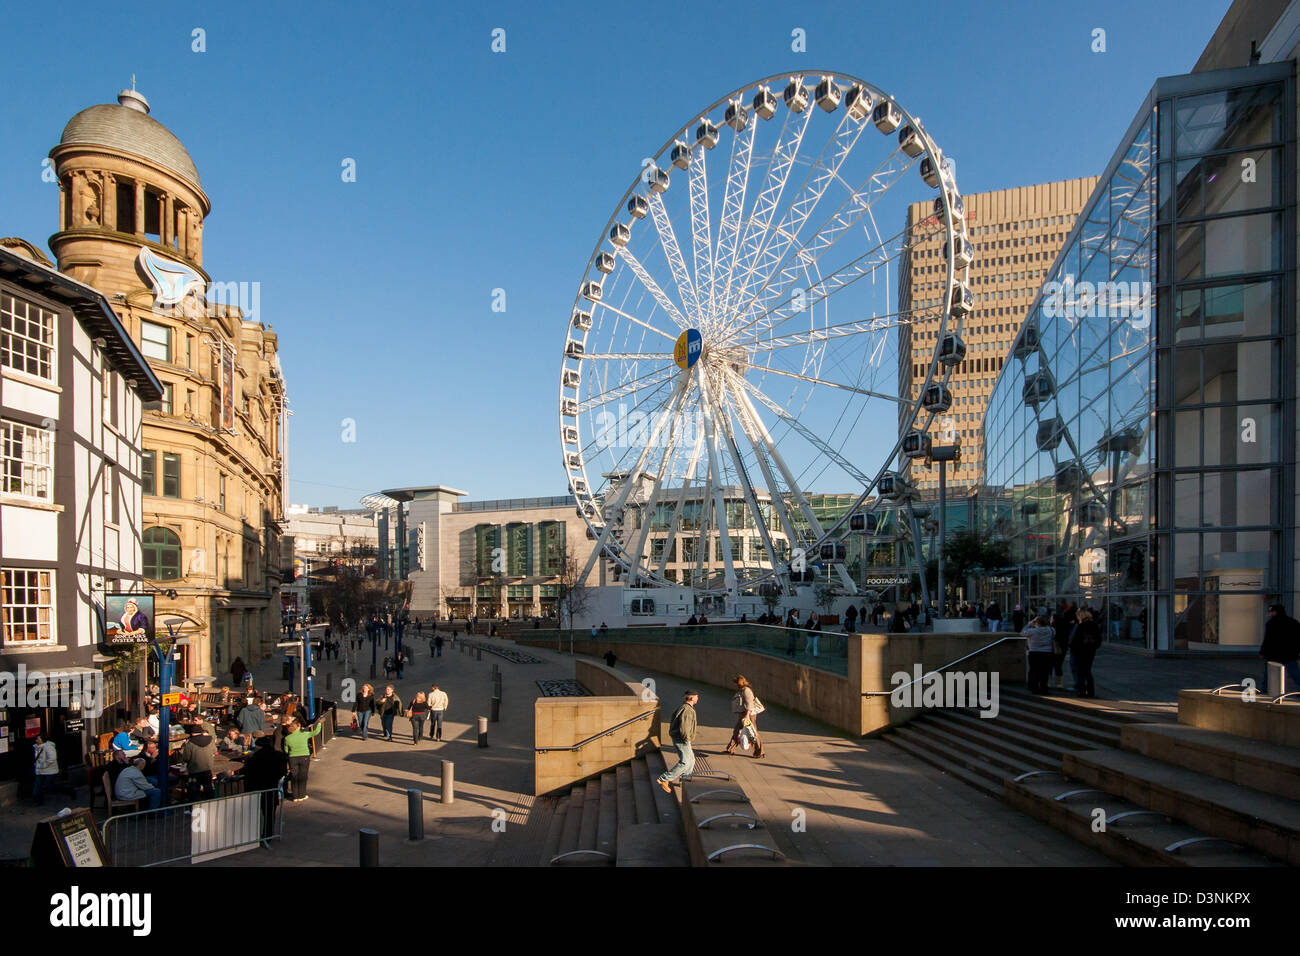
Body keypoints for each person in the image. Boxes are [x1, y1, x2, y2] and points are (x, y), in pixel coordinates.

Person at [657, 690, 700, 793]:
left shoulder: (685, 708)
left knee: (691, 760)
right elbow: (684, 727)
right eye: (697, 697)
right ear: (692, 698)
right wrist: (686, 739)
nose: (698, 699)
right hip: (682, 739)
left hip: (682, 738)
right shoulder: (687, 710)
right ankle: (664, 779)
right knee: (685, 762)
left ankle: (684, 781)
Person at [1260, 604, 1300, 693]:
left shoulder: (1271, 623)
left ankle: (1265, 689)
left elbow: (1268, 639)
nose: (1269, 614)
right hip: (1289, 653)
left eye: (1271, 611)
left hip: (1274, 653)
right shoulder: (1293, 622)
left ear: (1275, 612)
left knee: (1269, 672)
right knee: (1295, 673)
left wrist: (1262, 651)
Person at [724, 675, 766, 759]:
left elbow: (749, 704)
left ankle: (760, 752)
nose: (735, 684)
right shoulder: (741, 690)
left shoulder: (746, 690)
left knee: (752, 733)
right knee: (737, 731)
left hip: (748, 715)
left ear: (739, 683)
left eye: (736, 682)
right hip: (743, 715)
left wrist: (747, 716)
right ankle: (730, 749)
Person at [282, 718, 324, 802]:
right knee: (303, 775)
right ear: (298, 727)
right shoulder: (304, 734)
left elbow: (286, 750)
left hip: (292, 757)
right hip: (304, 756)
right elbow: (315, 732)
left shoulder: (287, 738)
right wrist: (319, 723)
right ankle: (302, 794)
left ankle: (295, 796)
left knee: (294, 776)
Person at [1070, 607, 1103, 698]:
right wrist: (1093, 647)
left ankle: (1081, 691)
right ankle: (1091, 691)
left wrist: (1073, 648)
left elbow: (1074, 641)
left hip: (1079, 652)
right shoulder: (1094, 624)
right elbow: (1099, 640)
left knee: (1080, 672)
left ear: (1080, 616)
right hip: (1090, 652)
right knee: (1087, 671)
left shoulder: (1081, 625)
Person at [31, 733, 70, 805]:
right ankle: (37, 801)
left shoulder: (48, 747)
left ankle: (69, 791)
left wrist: (42, 766)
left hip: (49, 771)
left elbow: (52, 758)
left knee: (50, 786)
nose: (36, 740)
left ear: (43, 740)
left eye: (38, 739)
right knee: (38, 785)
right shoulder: (36, 747)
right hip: (40, 771)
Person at [180, 725, 217, 799]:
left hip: (194, 770)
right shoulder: (210, 740)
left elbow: (186, 757)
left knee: (194, 791)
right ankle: (210, 804)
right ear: (201, 732)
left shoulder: (189, 743)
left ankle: (196, 807)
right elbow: (214, 751)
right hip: (208, 768)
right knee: (208, 788)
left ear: (192, 733)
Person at [1023, 615, 1057, 694]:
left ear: (1036, 623)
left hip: (1034, 652)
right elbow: (1054, 635)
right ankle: (1043, 687)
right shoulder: (1051, 630)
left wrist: (1029, 624)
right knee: (1044, 671)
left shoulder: (1032, 631)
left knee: (1034, 670)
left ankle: (1034, 687)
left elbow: (1022, 633)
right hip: (1047, 652)